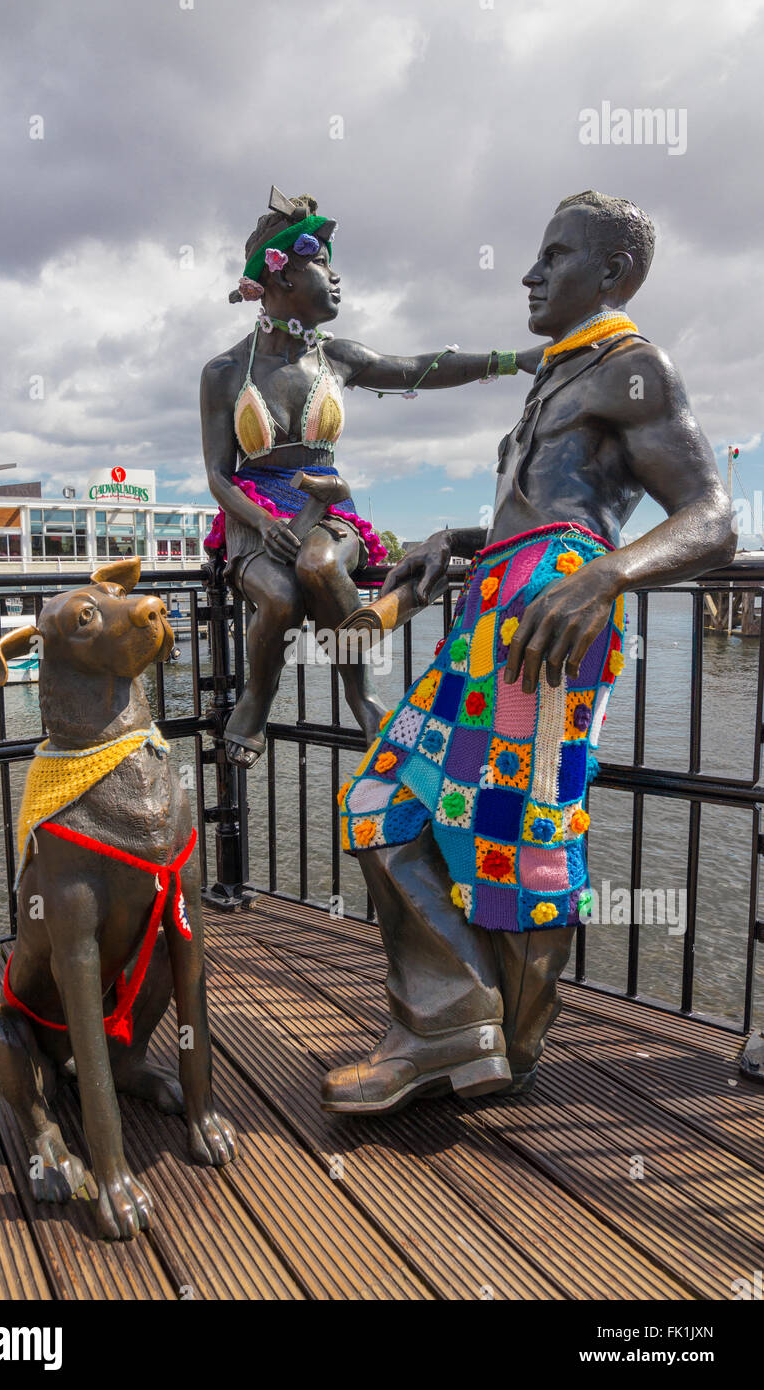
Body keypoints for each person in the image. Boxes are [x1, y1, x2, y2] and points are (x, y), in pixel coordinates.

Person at [325, 190, 736, 1115]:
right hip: (499, 608)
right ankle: (457, 1025)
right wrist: (455, 540)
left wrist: (606, 580)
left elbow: (712, 519)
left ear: (613, 275)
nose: (529, 273)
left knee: (513, 838)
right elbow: (542, 508)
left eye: (555, 256)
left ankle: (492, 1042)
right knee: (383, 798)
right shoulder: (555, 375)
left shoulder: (634, 367)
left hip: (554, 616)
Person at [201, 187, 539, 768]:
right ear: (279, 277)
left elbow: (418, 369)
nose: (336, 279)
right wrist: (258, 521)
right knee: (279, 599)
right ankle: (258, 696)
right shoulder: (225, 371)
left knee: (318, 565)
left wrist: (514, 360)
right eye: (323, 265)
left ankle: (361, 697)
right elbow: (217, 474)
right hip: (252, 517)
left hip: (330, 508)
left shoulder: (337, 357)